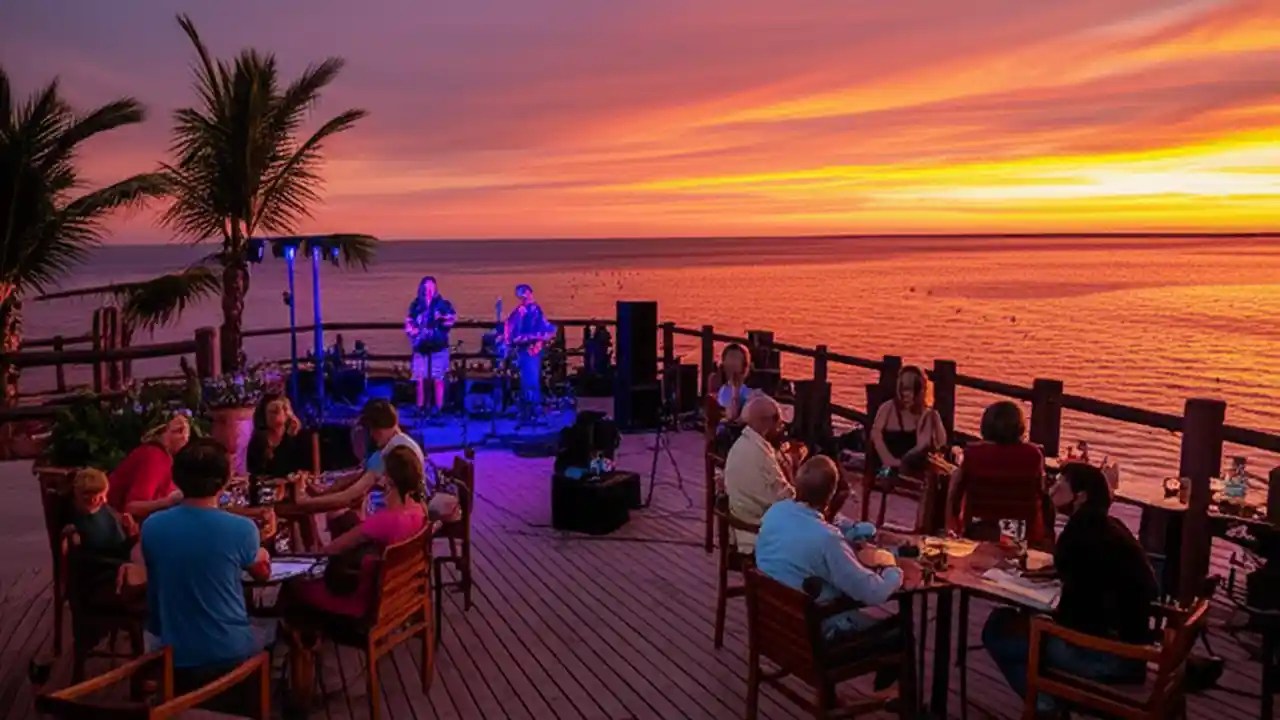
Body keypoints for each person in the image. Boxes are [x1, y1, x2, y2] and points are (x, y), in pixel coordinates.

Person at [983, 462, 1156, 715]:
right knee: (1014, 622)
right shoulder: (1113, 527)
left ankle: (1045, 706)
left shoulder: (1078, 535)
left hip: (1107, 657)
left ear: (1080, 496)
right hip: (1135, 653)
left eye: (1060, 484)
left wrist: (1038, 611)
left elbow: (1075, 613)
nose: (1051, 490)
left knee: (997, 631)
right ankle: (1048, 700)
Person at [755, 455, 905, 692]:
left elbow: (817, 529)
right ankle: (900, 704)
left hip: (779, 630)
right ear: (831, 496)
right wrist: (892, 568)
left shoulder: (775, 513)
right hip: (817, 640)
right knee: (903, 631)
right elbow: (874, 593)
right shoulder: (827, 540)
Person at [141, 437, 272, 706]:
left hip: (172, 653)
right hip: (230, 653)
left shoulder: (153, 527)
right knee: (276, 630)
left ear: (177, 478)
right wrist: (263, 547)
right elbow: (263, 575)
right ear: (225, 480)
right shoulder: (243, 529)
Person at [287, 445, 429, 618]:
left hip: (366, 606)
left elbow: (330, 550)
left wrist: (296, 550)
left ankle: (297, 634)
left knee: (292, 584)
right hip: (399, 593)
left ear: (389, 481)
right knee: (345, 520)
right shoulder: (420, 511)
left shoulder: (386, 521)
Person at [947, 400, 1051, 546]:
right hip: (1022, 531)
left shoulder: (973, 453)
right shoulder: (1033, 454)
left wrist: (953, 520)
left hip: (978, 528)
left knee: (956, 477)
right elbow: (1040, 491)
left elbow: (957, 493)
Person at [300, 400, 424, 518]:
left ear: (378, 428)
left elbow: (349, 495)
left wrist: (306, 502)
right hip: (410, 510)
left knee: (336, 515)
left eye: (372, 429)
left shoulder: (393, 452)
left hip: (400, 514)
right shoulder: (398, 441)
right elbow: (358, 475)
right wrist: (323, 490)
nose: (371, 435)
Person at [723, 394, 806, 552]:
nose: (781, 428)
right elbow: (789, 499)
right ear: (767, 421)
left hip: (743, 522)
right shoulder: (760, 455)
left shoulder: (742, 445)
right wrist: (795, 467)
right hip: (758, 533)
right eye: (779, 423)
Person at [108, 412, 191, 519]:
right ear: (160, 433)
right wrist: (170, 501)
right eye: (179, 431)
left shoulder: (163, 457)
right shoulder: (154, 456)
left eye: (186, 432)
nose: (185, 438)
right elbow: (133, 507)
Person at [870, 365, 947, 475]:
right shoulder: (888, 408)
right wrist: (889, 460)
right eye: (903, 388)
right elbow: (876, 435)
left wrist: (932, 422)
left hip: (915, 465)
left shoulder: (929, 415)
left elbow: (940, 444)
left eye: (911, 389)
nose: (906, 394)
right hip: (888, 463)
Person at [405, 276, 457, 415]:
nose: (427, 291)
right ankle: (420, 407)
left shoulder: (443, 304)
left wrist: (441, 318)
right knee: (420, 379)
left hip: (438, 346)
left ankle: (438, 408)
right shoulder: (416, 305)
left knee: (437, 378)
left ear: (434, 288)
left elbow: (452, 319)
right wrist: (414, 332)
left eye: (430, 287)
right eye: (425, 288)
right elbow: (409, 323)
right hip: (421, 346)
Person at [503, 284, 556, 417]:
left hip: (531, 348)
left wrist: (539, 341)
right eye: (520, 294)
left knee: (531, 379)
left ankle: (532, 408)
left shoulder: (534, 310)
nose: (523, 296)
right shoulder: (521, 311)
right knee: (528, 379)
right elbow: (510, 328)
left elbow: (547, 329)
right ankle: (529, 408)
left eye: (524, 293)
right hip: (524, 347)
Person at [246, 393, 310, 480]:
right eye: (274, 411)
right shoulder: (258, 441)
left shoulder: (297, 436)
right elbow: (255, 473)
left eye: (284, 409)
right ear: (263, 416)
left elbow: (304, 469)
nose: (280, 413)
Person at [708, 343, 753, 423]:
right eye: (730, 358)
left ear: (744, 363)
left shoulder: (749, 389)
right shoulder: (723, 388)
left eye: (736, 359)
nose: (733, 363)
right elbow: (730, 416)